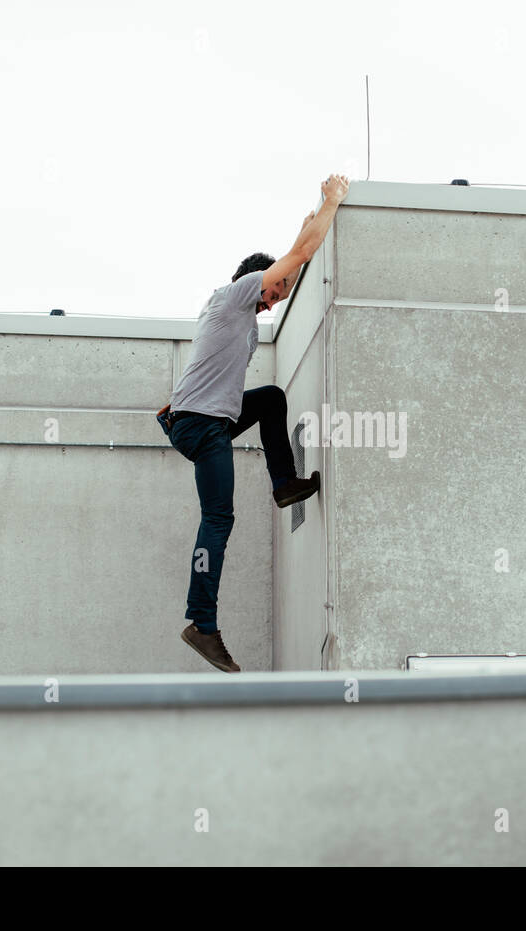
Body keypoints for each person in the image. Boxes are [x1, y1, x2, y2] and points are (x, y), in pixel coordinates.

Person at [164, 173, 350, 672]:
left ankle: (284, 482)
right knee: (218, 518)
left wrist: (305, 223)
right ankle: (201, 624)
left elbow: (293, 255)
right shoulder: (236, 294)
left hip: (207, 419)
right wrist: (333, 200)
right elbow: (302, 256)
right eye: (271, 297)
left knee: (269, 398)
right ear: (256, 283)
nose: (271, 306)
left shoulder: (235, 315)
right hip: (203, 426)